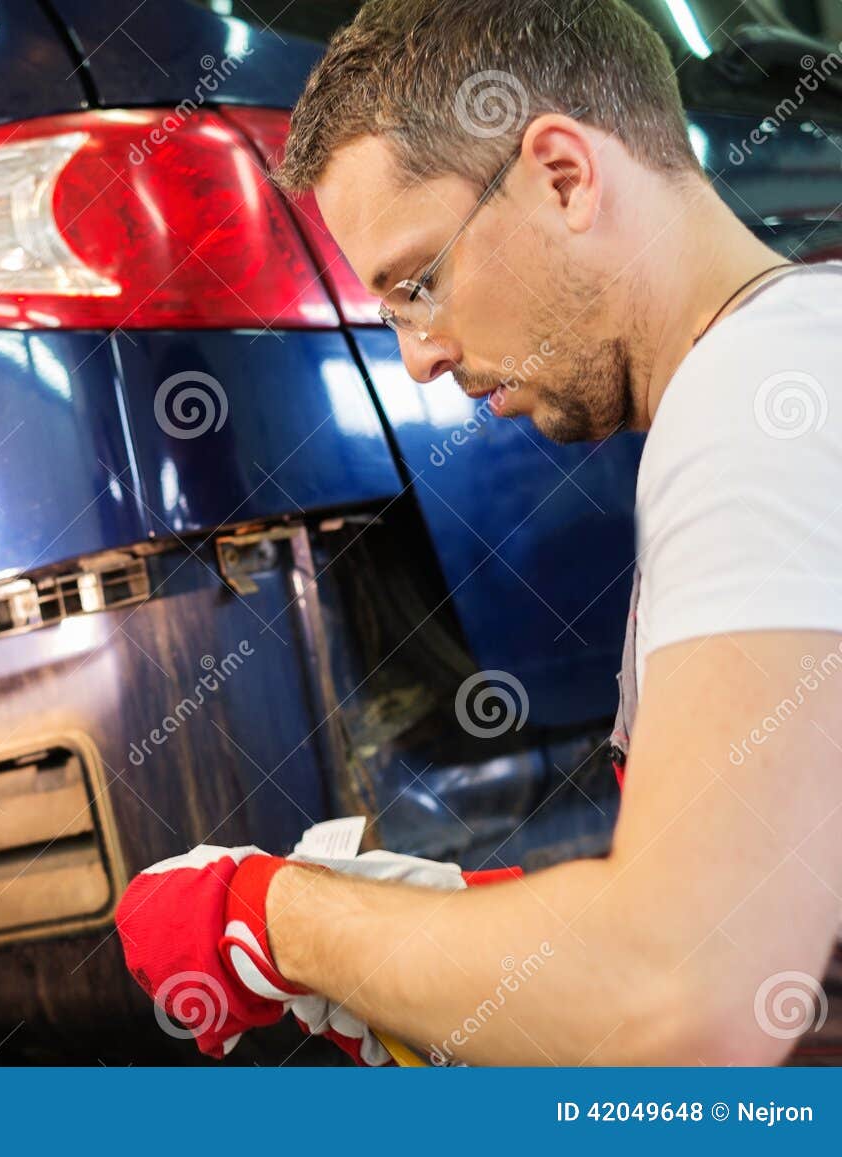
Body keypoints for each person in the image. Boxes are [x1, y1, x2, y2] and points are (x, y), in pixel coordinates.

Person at [116, 0, 842, 1065]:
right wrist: (462, 945)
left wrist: (276, 919)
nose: (418, 356)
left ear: (562, 175)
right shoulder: (789, 359)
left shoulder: (755, 403)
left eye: (418, 282)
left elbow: (686, 1001)